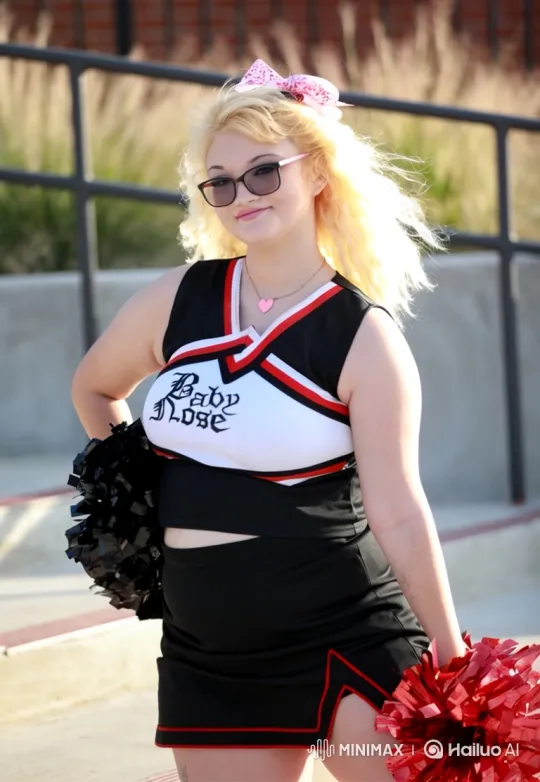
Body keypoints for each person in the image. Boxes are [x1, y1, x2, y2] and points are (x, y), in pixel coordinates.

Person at [71, 59, 467, 782]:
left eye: (262, 172)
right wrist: (129, 506)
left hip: (340, 626)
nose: (239, 195)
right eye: (219, 182)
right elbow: (94, 389)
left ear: (316, 172)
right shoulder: (180, 299)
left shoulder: (363, 337)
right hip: (209, 646)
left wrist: (451, 654)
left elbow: (401, 511)